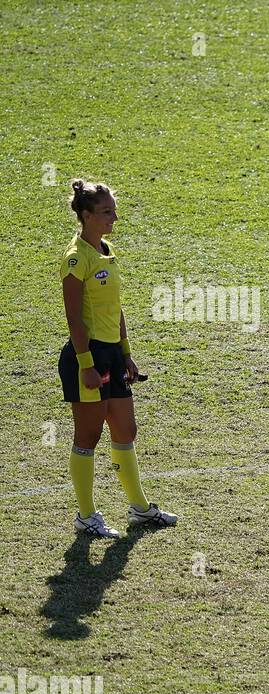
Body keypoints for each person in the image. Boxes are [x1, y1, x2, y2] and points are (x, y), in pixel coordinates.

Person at [59, 179, 177, 537]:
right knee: (89, 435)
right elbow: (74, 317)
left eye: (114, 209)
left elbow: (115, 308)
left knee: (126, 429)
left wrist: (126, 353)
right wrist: (86, 365)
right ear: (86, 215)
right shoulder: (76, 259)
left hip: (111, 354)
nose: (114, 217)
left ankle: (140, 510)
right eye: (107, 212)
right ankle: (86, 516)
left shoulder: (106, 249)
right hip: (89, 354)